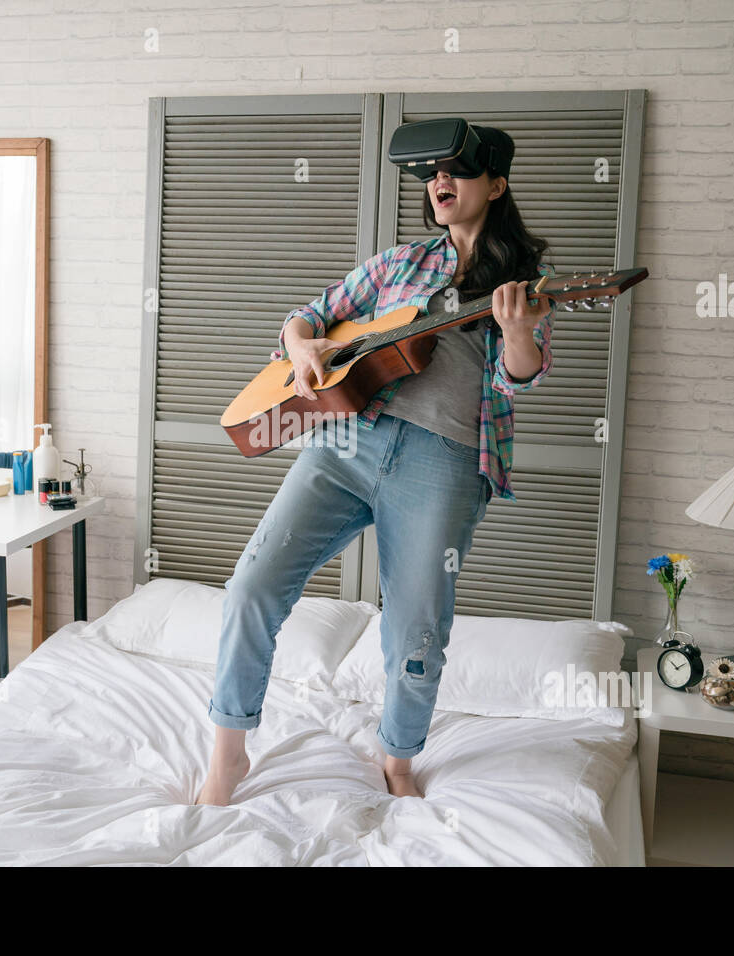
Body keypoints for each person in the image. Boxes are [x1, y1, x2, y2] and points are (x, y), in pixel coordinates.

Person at [196, 124, 555, 805]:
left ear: (496, 186)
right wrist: (303, 350)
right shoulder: (397, 265)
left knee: (417, 627)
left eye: (457, 173)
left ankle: (397, 758)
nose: (440, 184)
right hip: (344, 445)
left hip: (442, 460)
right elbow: (305, 319)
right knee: (251, 585)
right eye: (433, 175)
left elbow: (520, 379)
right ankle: (228, 754)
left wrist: (517, 334)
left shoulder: (524, 286)